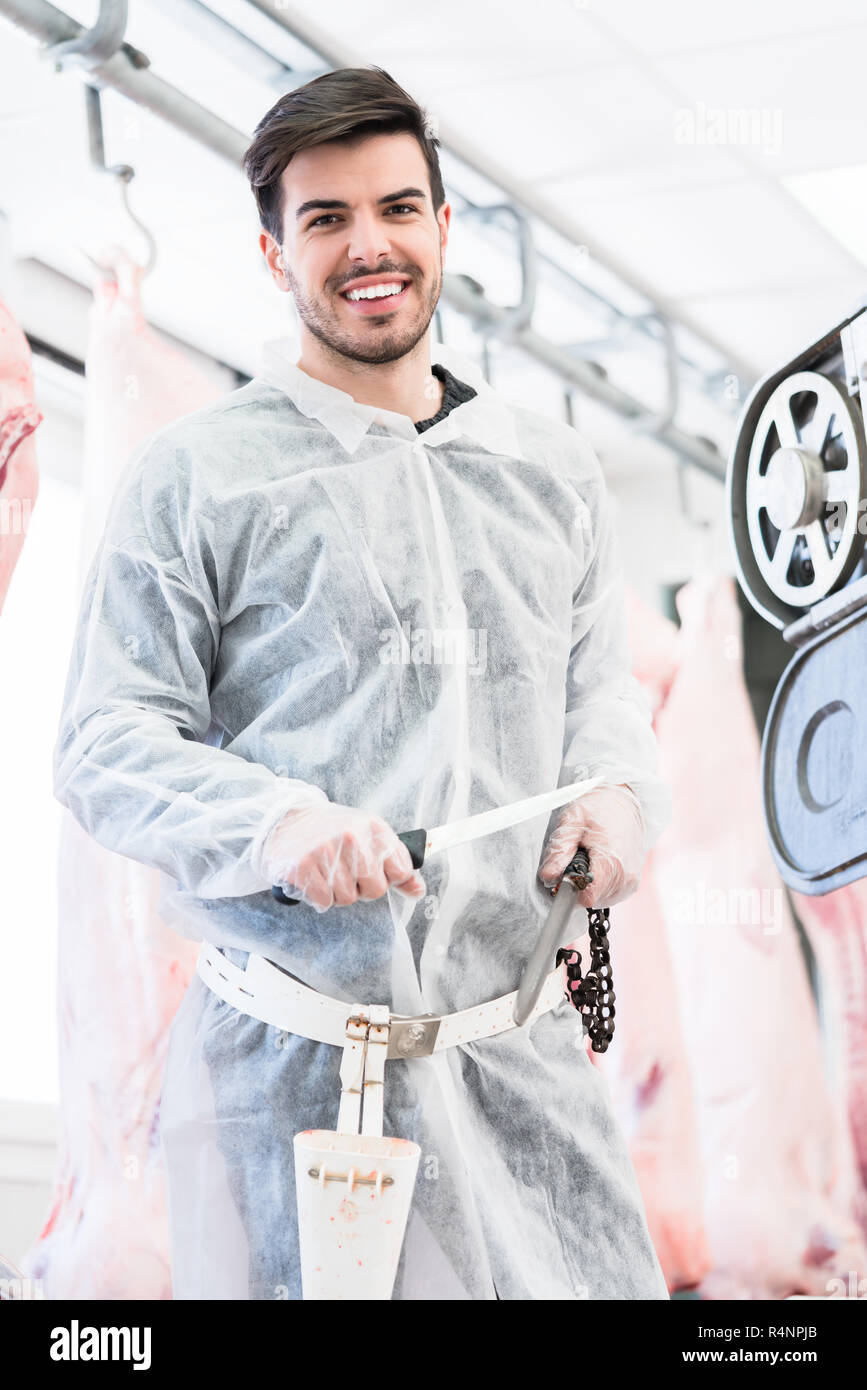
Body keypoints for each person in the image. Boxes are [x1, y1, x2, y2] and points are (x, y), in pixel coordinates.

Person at [54, 65, 672, 1300]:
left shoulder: (552, 477)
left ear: (444, 229)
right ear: (277, 255)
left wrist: (617, 803)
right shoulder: (198, 477)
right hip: (300, 1080)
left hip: (521, 1061)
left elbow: (601, 696)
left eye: (397, 207)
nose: (368, 245)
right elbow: (108, 741)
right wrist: (275, 826)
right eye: (326, 218)